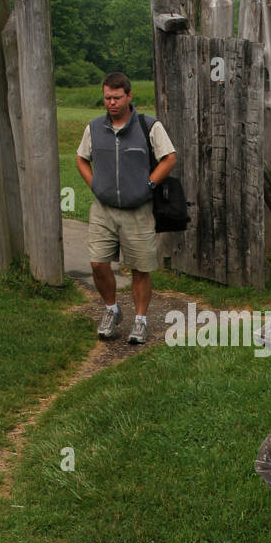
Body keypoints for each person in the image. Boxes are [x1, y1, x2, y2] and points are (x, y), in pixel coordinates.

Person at [76, 72, 177, 343]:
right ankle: (111, 309)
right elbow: (81, 158)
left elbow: (169, 158)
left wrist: (149, 185)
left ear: (129, 96)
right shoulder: (95, 128)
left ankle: (141, 321)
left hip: (138, 210)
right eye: (107, 97)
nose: (111, 102)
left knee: (139, 268)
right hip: (103, 209)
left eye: (117, 97)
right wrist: (95, 185)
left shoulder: (148, 126)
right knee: (98, 263)